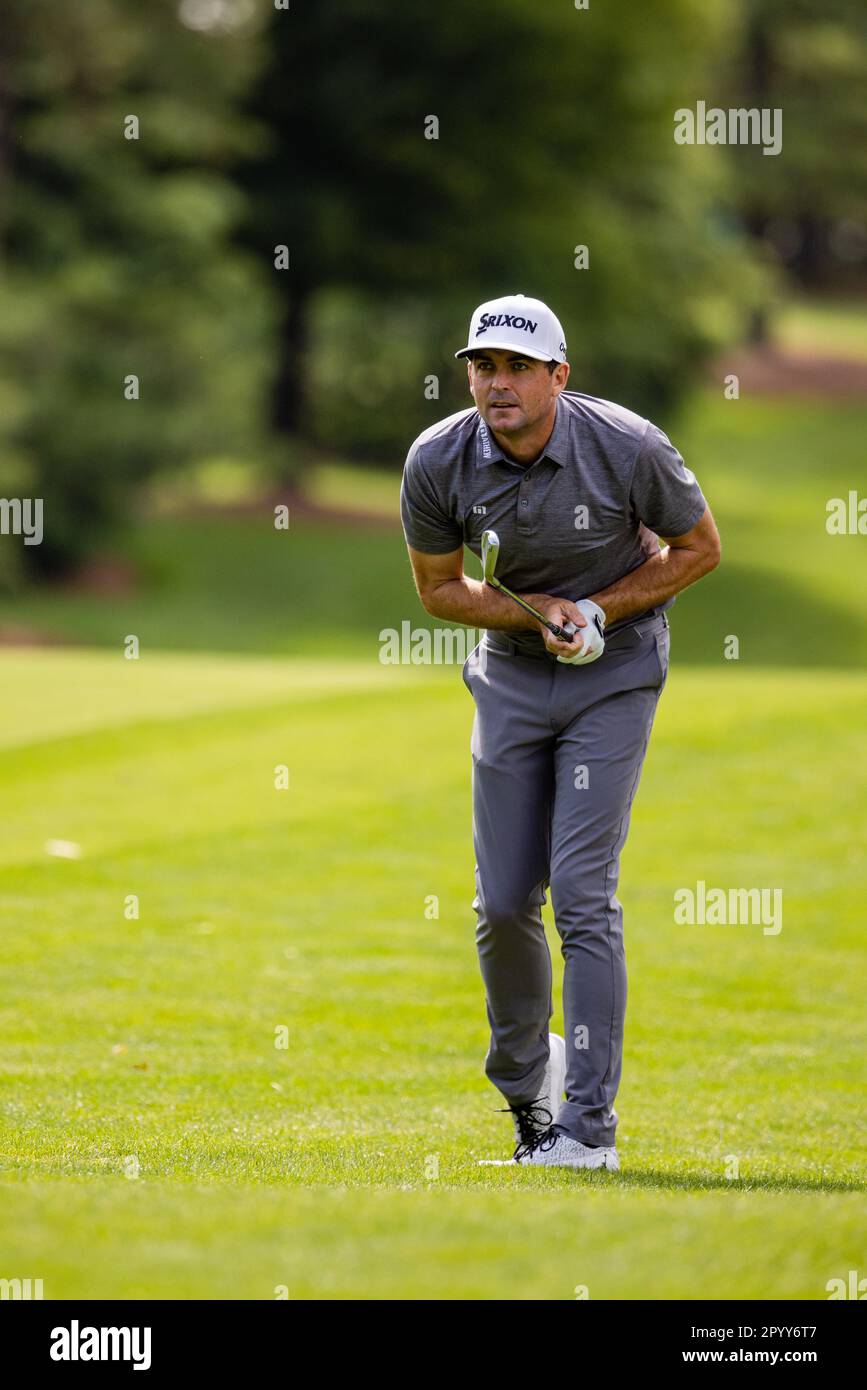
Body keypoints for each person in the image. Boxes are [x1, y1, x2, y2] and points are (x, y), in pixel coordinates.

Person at [400, 293, 720, 1169]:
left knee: (581, 892)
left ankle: (586, 1132)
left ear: (557, 376)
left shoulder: (627, 444)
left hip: (613, 673)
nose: (495, 384)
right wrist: (528, 610)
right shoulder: (437, 458)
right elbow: (436, 589)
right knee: (502, 903)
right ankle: (526, 1087)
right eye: (481, 366)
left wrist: (591, 608)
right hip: (509, 673)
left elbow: (698, 549)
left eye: (515, 367)